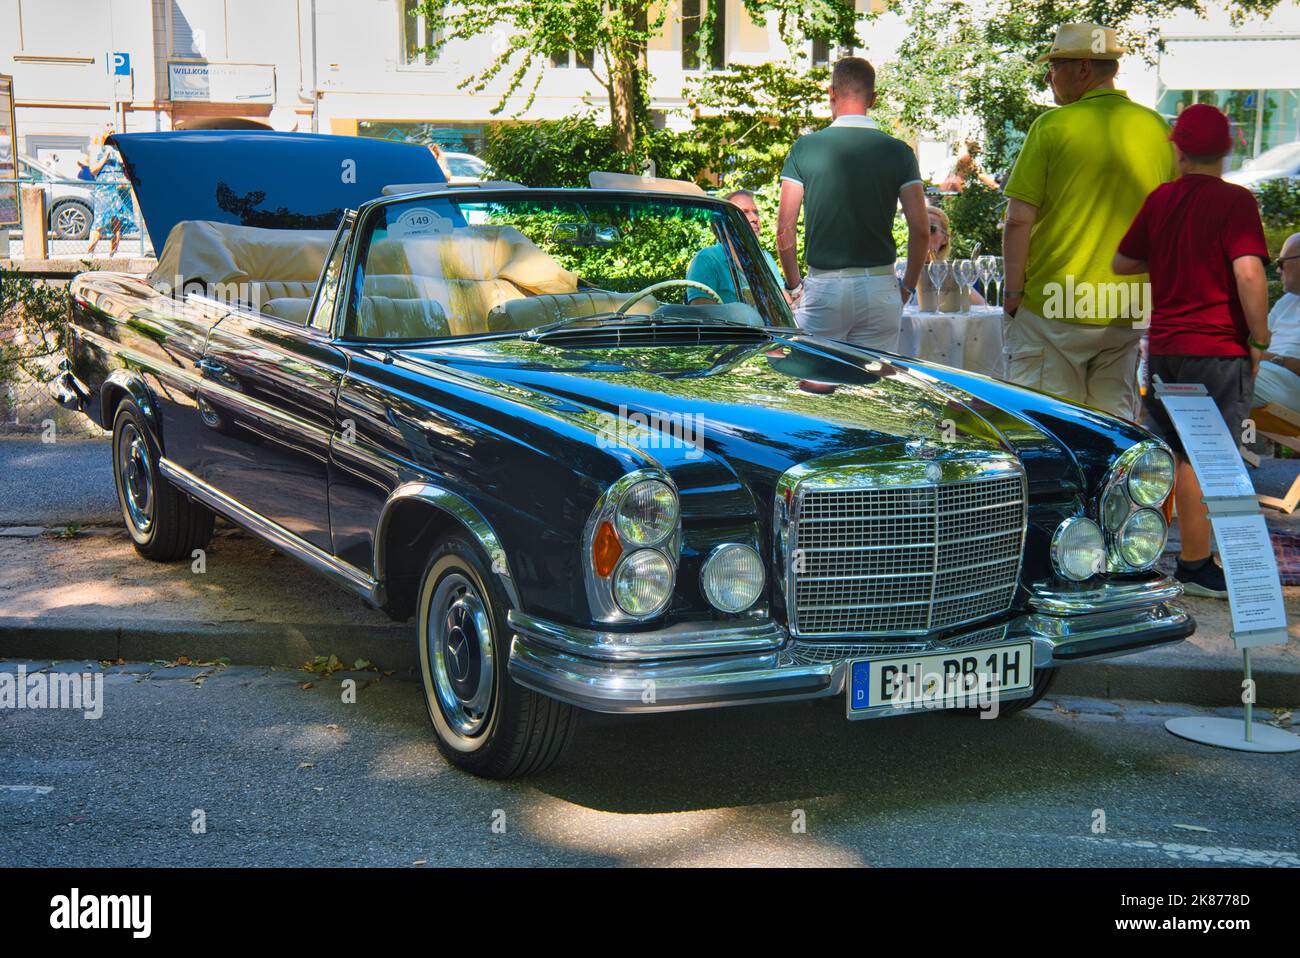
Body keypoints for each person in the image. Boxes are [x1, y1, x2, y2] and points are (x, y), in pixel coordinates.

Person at [1113, 103, 1271, 598]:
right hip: (1217, 349)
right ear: (1226, 151)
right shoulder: (1236, 201)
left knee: (1170, 454)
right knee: (1211, 459)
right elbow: (1249, 273)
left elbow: (1122, 262)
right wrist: (1260, 339)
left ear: (1178, 151)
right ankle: (1199, 564)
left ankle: (1147, 555)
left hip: (1166, 349)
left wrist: (1171, 252)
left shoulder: (1161, 200)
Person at [1001, 23, 1177, 419]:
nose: (1049, 75)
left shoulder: (1051, 126)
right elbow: (1172, 225)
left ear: (1083, 68)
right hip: (1126, 310)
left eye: (1056, 64)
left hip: (1054, 309)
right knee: (1114, 437)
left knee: (1048, 430)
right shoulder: (1156, 129)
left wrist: (1013, 295)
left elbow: (1017, 221)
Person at [776, 56, 928, 350]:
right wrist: (907, 286)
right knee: (873, 389)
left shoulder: (805, 148)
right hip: (879, 286)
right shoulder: (899, 152)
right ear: (873, 98)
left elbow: (785, 229)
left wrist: (794, 287)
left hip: (824, 288)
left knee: (816, 384)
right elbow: (921, 229)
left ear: (831, 92)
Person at [686, 189, 783, 305]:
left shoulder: (765, 259)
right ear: (722, 222)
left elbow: (784, 303)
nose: (754, 219)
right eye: (744, 213)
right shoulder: (707, 260)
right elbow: (704, 314)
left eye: (756, 212)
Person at [1253, 232, 1300, 411]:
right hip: (1267, 374)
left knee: (1226, 376)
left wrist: (1275, 360)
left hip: (1290, 384)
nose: (1278, 270)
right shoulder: (1287, 300)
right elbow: (1259, 343)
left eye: (1281, 263)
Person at [84, 128, 135, 256]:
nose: (112, 135)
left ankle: (113, 254)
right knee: (99, 222)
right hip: (104, 189)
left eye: (113, 132)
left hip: (119, 188)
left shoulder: (119, 149)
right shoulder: (96, 149)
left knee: (117, 223)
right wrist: (105, 158)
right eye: (109, 132)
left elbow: (128, 172)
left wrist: (125, 165)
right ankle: (89, 253)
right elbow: (93, 170)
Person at [926, 205, 985, 305]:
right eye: (917, 228)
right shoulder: (900, 271)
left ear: (945, 239)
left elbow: (981, 307)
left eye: (931, 228)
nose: (923, 233)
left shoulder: (952, 275)